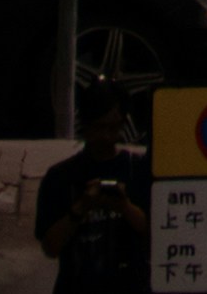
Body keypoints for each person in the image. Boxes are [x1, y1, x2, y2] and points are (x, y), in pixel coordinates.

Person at [34, 95, 152, 294]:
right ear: (86, 126)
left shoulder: (138, 169)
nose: (106, 136)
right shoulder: (60, 177)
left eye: (113, 128)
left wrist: (125, 208)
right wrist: (81, 207)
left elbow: (158, 237)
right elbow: (50, 247)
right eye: (99, 128)